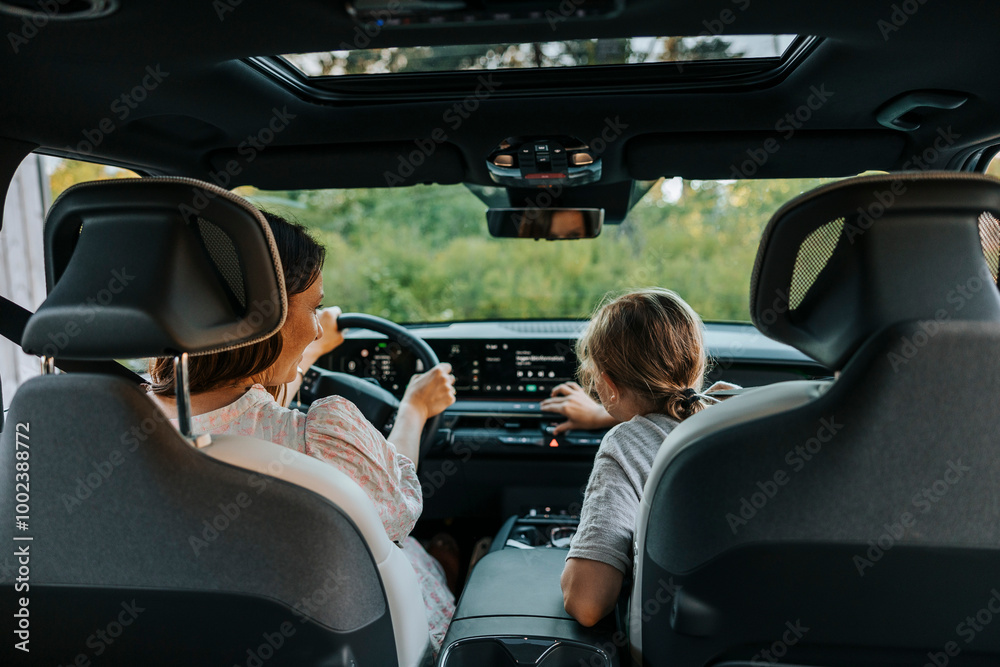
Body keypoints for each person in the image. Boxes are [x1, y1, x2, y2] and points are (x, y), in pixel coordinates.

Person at [147, 210, 457, 652]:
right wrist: (416, 407)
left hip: (191, 640)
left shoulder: (112, 419)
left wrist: (305, 352)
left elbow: (240, 403)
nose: (315, 327)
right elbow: (395, 512)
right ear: (259, 320)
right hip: (351, 641)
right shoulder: (319, 434)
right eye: (312, 307)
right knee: (421, 556)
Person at [548, 288, 734, 627]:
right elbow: (673, 407)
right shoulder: (738, 411)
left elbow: (587, 604)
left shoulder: (625, 445)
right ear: (698, 363)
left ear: (608, 384)